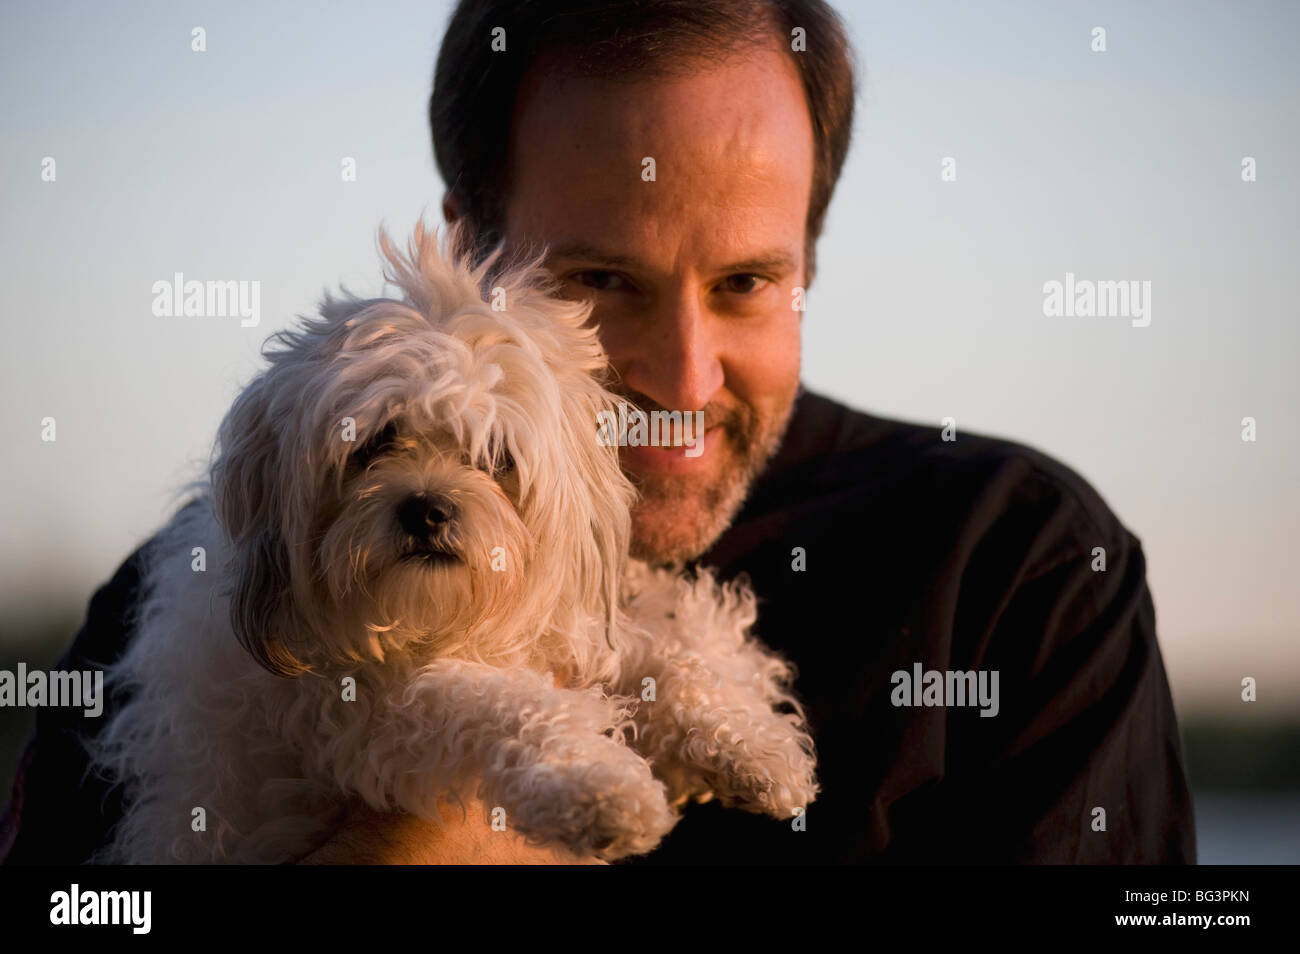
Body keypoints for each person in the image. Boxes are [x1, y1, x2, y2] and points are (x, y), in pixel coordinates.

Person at [1, 0, 1196, 865]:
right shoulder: (184, 595)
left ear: (812, 268)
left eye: (744, 283)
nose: (680, 375)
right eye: (600, 282)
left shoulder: (1018, 567)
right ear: (465, 252)